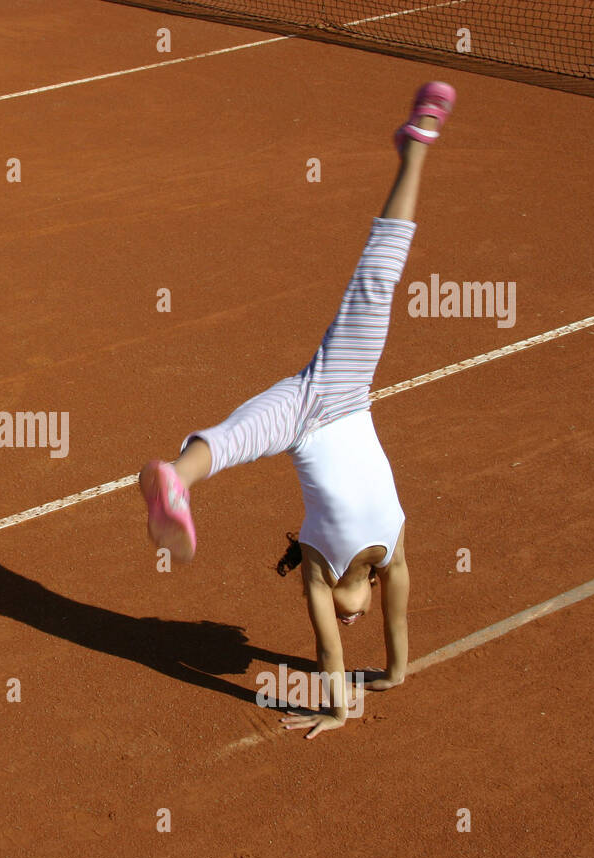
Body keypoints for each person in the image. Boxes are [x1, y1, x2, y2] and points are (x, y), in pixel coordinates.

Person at [139, 81, 456, 737]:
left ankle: (418, 147)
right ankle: (179, 476)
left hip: (334, 394)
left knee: (380, 272)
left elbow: (383, 619)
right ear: (364, 588)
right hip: (335, 398)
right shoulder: (323, 559)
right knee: (238, 437)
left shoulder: (391, 541)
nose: (353, 616)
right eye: (357, 611)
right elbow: (333, 652)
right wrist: (352, 699)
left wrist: (393, 670)